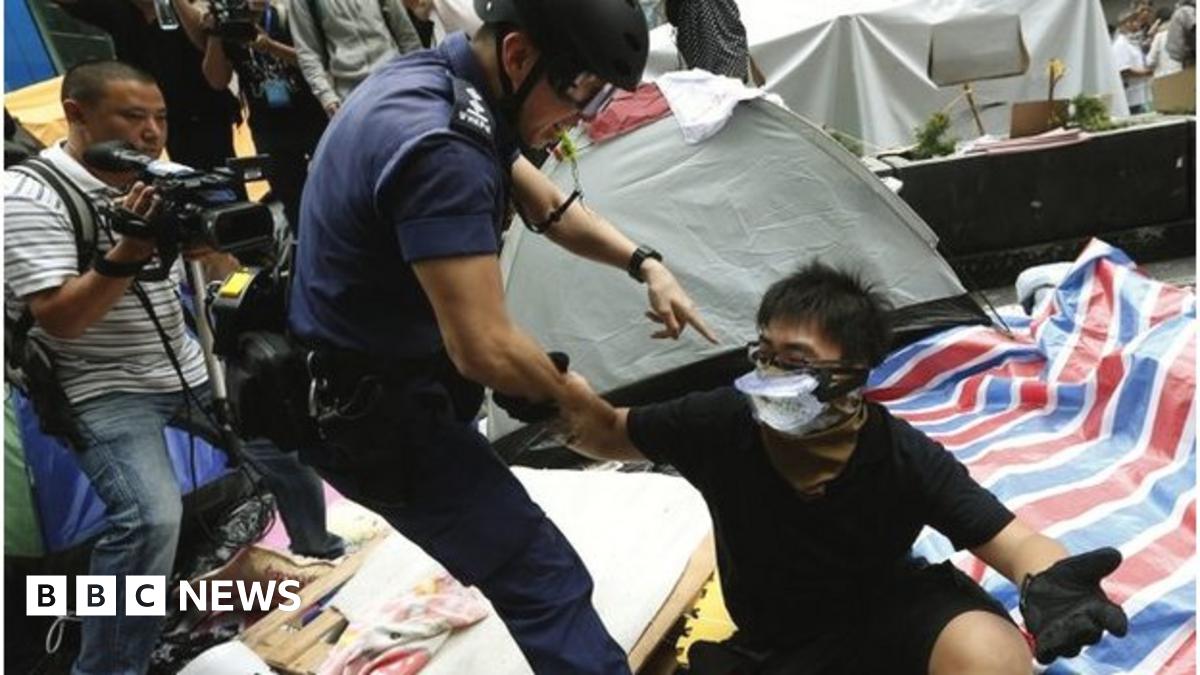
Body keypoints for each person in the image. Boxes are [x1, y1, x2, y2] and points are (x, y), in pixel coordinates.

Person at [287, 0, 718, 671]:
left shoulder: (444, 86)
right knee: (541, 574)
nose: (579, 117)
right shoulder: (441, 145)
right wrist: (581, 406)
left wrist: (645, 262)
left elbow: (545, 202)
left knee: (517, 547)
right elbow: (484, 345)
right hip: (371, 410)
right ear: (519, 55)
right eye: (578, 91)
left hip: (384, 372)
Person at [563, 262, 1129, 675]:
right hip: (778, 643)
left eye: (796, 362)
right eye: (764, 353)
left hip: (892, 610)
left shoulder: (902, 455)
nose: (770, 374)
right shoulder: (720, 422)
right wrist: (556, 398)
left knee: (993, 657)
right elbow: (608, 432)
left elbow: (1013, 542)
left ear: (855, 373)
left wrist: (1055, 584)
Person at [3, 60, 344, 675]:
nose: (152, 133)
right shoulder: (27, 198)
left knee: (292, 443)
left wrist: (218, 260)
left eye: (159, 117)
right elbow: (60, 319)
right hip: (96, 387)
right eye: (132, 118)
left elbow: (222, 275)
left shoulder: (170, 180)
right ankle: (107, 667)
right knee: (150, 520)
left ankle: (319, 553)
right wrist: (129, 252)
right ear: (77, 115)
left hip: (184, 365)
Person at [54, 0, 243, 178]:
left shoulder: (184, 9)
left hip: (203, 112)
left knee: (219, 175)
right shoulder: (119, 11)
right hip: (150, 115)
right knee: (160, 174)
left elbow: (207, 45)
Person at [200, 0, 328, 231]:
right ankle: (305, 246)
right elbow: (216, 80)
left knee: (335, 185)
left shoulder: (288, 14)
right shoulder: (231, 26)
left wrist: (271, 47)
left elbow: (315, 60)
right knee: (290, 198)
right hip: (268, 126)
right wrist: (214, 34)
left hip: (312, 115)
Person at [288, 0, 423, 118]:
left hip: (397, 80)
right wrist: (327, 97)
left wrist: (420, 74)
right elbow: (308, 52)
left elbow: (405, 32)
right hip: (352, 96)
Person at [1111, 9, 1155, 114]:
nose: (1139, 24)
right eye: (1135, 21)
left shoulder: (1132, 42)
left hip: (1142, 95)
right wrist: (1147, 72)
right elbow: (1124, 71)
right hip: (1132, 99)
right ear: (1126, 24)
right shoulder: (1120, 44)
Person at [1148, 6, 1185, 80]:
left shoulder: (1159, 36)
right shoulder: (1180, 32)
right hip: (1180, 72)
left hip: (1163, 77)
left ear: (1158, 21)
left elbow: (1150, 61)